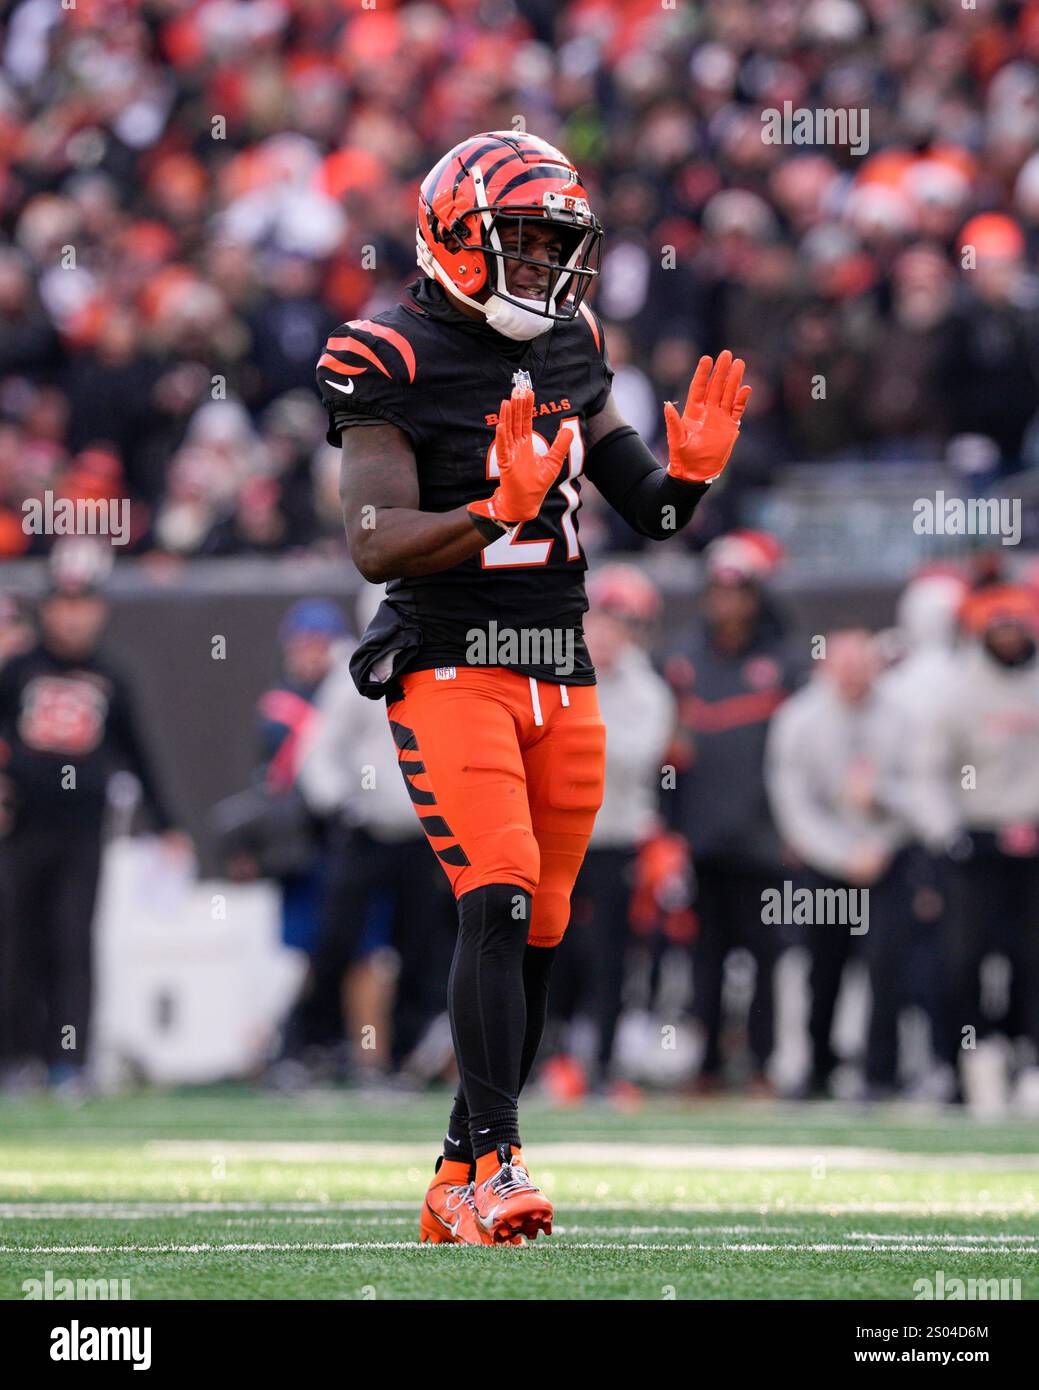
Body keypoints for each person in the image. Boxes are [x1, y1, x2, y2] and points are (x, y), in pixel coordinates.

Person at [316, 130, 750, 1244]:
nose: (541, 266)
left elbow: (644, 509)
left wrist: (690, 476)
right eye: (516, 238)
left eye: (556, 243)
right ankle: (503, 1159)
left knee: (542, 923)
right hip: (451, 662)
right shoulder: (387, 352)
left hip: (563, 664)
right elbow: (374, 540)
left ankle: (456, 1172)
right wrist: (489, 513)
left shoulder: (570, 341)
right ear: (451, 238)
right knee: (497, 894)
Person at [0, 558, 186, 1091]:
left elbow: (139, 754)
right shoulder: (17, 671)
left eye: (83, 607)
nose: (73, 620)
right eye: (64, 606)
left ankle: (69, 1062)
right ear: (47, 611)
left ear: (98, 612)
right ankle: (17, 1057)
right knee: (17, 940)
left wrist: (168, 824)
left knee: (73, 939)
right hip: (22, 830)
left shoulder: (111, 676)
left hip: (82, 831)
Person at [664, 531, 794, 1095]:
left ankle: (764, 1065)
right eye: (717, 590)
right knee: (706, 960)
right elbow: (665, 752)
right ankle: (708, 1066)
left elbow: (797, 757)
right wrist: (667, 832)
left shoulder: (786, 661)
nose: (727, 602)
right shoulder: (682, 661)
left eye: (738, 590)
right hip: (700, 838)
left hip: (766, 838)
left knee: (765, 960)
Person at [766, 630, 916, 1098]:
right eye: (844, 665)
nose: (853, 675)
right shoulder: (799, 719)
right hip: (825, 862)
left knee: (887, 966)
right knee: (820, 968)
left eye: (861, 665)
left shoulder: (902, 718)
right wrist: (843, 855)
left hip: (888, 858)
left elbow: (924, 790)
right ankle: (815, 1068)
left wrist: (881, 831)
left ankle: (881, 1073)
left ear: (876, 666)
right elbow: (793, 806)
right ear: (826, 666)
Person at [544, 563, 674, 1098]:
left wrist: (575, 735)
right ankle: (543, 1058)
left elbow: (631, 758)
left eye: (622, 623)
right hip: (557, 834)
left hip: (615, 837)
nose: (608, 633)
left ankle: (602, 1061)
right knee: (547, 947)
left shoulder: (648, 692)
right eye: (603, 619)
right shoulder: (553, 667)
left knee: (613, 955)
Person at [909, 584, 1039, 1101]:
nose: (1008, 637)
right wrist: (946, 832)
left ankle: (1030, 1060)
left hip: (1034, 841)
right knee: (963, 959)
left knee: (1033, 960)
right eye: (998, 627)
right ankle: (976, 1059)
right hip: (976, 842)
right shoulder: (959, 692)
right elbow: (928, 772)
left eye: (1016, 626)